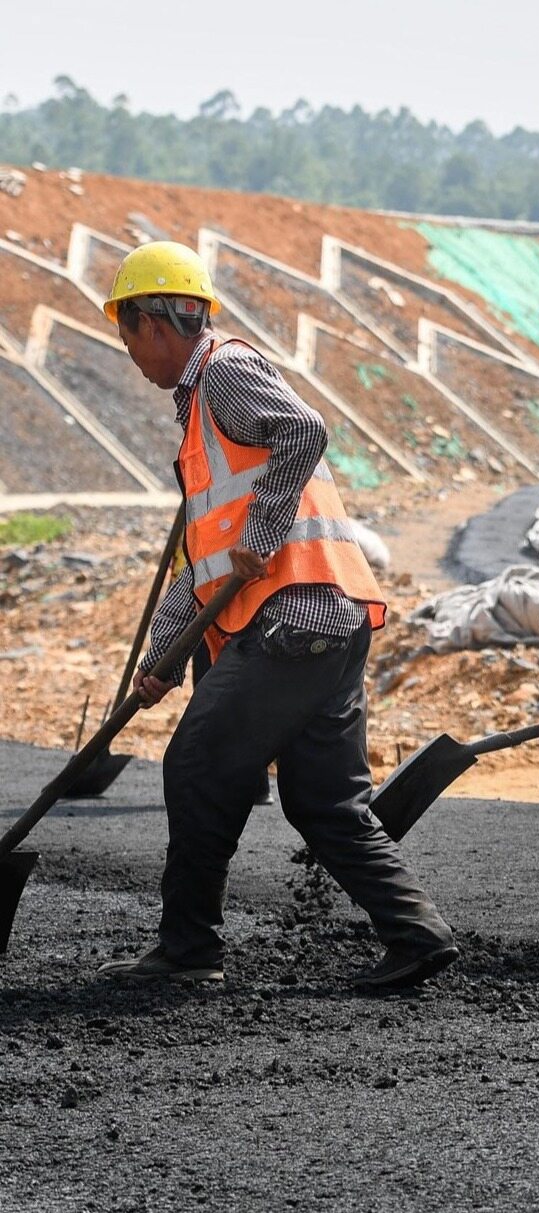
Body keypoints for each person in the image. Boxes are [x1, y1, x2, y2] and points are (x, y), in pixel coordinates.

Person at [95, 241, 458, 988]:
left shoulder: (224, 371)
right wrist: (158, 664)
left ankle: (189, 948)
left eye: (126, 335)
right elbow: (201, 570)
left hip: (292, 618)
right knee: (323, 800)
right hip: (331, 619)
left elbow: (306, 429)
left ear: (155, 324)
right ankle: (417, 932)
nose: (130, 353)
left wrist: (260, 536)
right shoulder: (200, 422)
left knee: (197, 762)